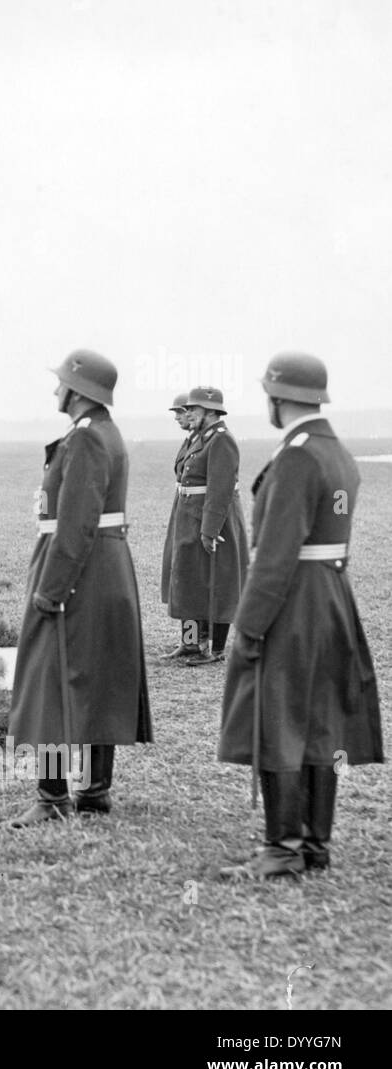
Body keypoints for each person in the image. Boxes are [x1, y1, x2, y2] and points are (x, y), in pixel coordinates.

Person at [218, 353, 382, 879]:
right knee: (318, 723)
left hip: (294, 601)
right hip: (332, 595)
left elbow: (274, 555)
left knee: (280, 716)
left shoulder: (297, 456)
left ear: (278, 396)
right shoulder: (338, 453)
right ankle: (313, 844)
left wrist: (250, 624)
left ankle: (282, 848)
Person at [7, 350, 153, 827]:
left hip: (79, 568)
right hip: (104, 565)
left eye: (62, 383)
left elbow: (75, 523)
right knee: (99, 679)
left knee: (51, 678)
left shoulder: (88, 439)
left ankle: (52, 796)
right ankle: (94, 790)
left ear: (78, 391)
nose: (56, 390)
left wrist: (51, 589)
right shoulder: (101, 433)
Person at [167, 386, 249, 666]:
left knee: (218, 583)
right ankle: (191, 643)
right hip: (189, 515)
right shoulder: (200, 438)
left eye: (194, 409)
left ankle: (214, 649)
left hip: (214, 518)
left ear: (211, 411)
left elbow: (220, 489)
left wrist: (210, 530)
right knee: (190, 582)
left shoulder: (221, 440)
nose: (188, 413)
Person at [159, 393, 201, 658]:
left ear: (191, 412)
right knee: (184, 578)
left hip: (196, 514)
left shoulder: (209, 441)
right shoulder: (191, 441)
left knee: (194, 580)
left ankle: (204, 644)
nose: (176, 418)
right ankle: (190, 642)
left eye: (179, 412)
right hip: (183, 510)